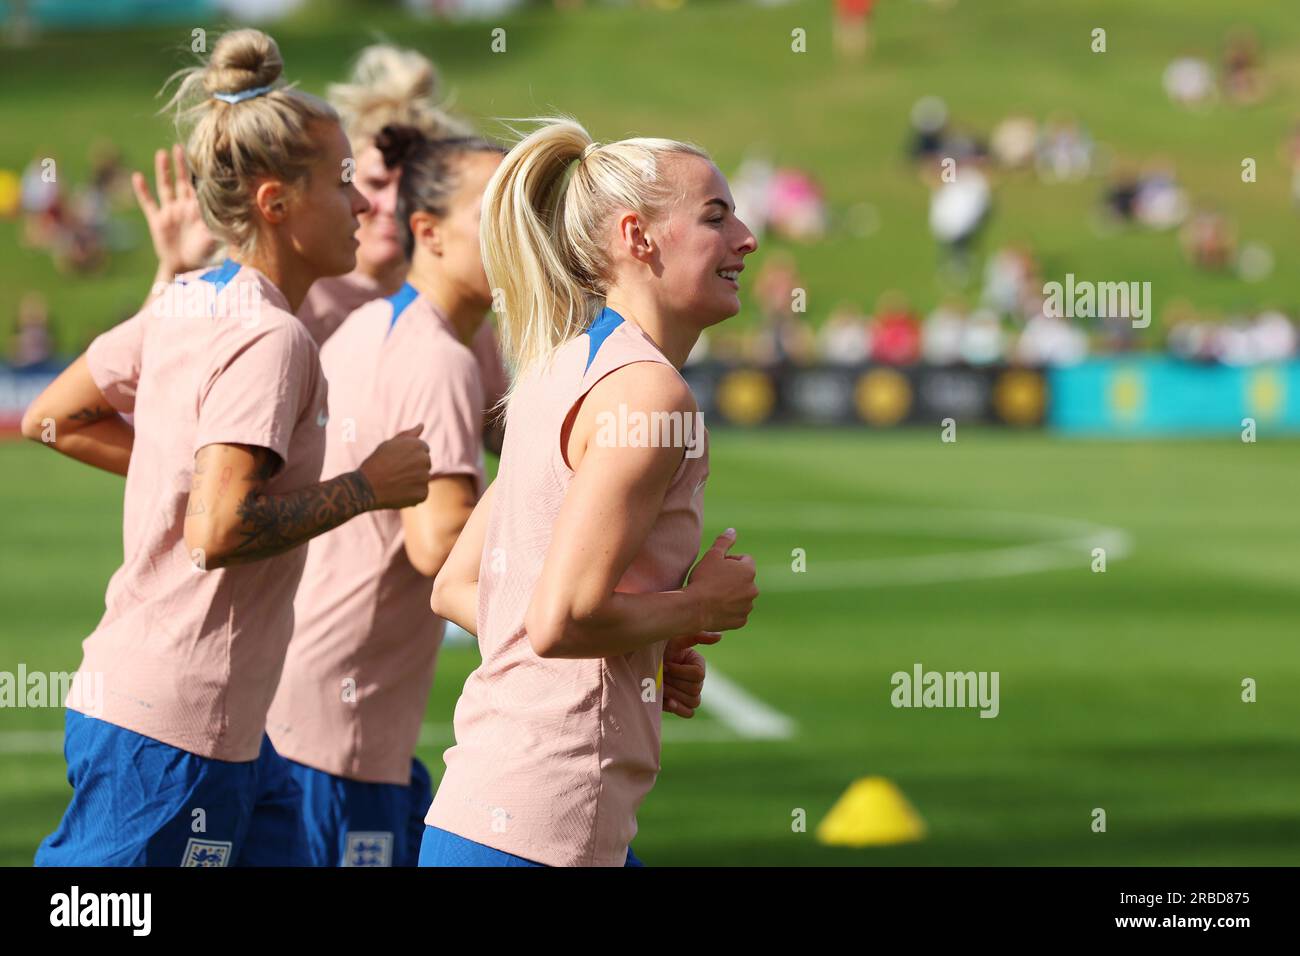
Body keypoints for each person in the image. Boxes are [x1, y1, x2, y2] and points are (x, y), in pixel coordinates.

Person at [22, 28, 432, 867]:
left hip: (223, 728)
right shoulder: (270, 340)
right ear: (278, 202)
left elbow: (53, 418)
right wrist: (366, 488)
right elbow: (216, 533)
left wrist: (183, 477)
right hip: (173, 731)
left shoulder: (187, 299)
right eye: (345, 183)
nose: (363, 205)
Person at [421, 118, 760, 867]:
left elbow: (459, 585)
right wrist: (697, 609)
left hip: (486, 815)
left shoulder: (558, 367)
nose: (747, 237)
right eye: (715, 216)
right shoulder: (650, 396)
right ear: (639, 238)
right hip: (546, 834)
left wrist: (650, 635)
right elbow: (560, 620)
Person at [265, 127, 504, 867]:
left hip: (309, 702)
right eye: (498, 214)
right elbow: (439, 541)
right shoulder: (438, 359)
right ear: (426, 232)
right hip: (343, 728)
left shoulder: (371, 323)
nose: (524, 233)